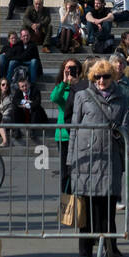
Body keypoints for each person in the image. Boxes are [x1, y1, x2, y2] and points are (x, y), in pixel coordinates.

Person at [68, 60, 129, 257]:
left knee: (108, 208)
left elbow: (126, 127)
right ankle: (85, 251)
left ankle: (111, 249)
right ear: (92, 78)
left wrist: (120, 135)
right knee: (86, 208)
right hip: (86, 158)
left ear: (112, 77)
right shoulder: (82, 96)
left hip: (110, 158)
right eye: (97, 77)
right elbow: (74, 128)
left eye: (106, 76)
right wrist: (70, 160)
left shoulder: (121, 97)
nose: (101, 80)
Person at [50, 58, 83, 188]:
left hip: (80, 133)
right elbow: (54, 98)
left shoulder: (82, 85)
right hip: (64, 135)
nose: (70, 70)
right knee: (65, 171)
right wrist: (64, 81)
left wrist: (76, 83)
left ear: (79, 70)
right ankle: (66, 201)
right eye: (67, 68)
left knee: (80, 168)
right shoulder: (62, 86)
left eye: (73, 68)